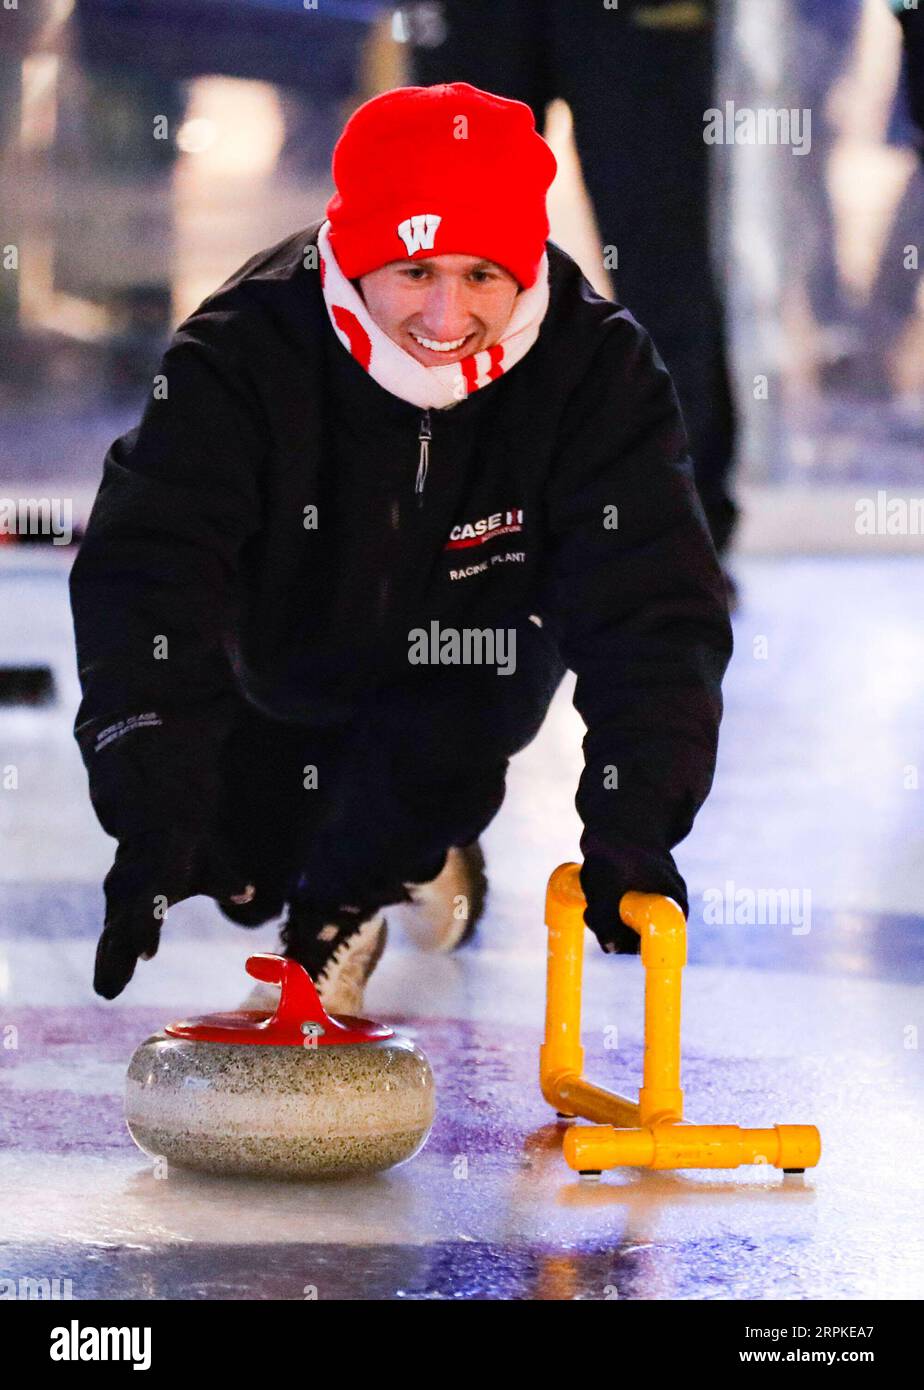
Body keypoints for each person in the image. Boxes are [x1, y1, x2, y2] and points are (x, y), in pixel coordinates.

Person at [69, 82, 733, 1014]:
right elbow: (153, 576)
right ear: (355, 255)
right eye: (416, 273)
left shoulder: (596, 368)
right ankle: (396, 850)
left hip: (480, 640)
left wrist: (636, 825)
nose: (447, 318)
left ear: (527, 267)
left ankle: (365, 887)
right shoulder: (243, 350)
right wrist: (148, 806)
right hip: (286, 636)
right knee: (239, 866)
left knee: (405, 791)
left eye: (483, 276)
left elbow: (654, 609)